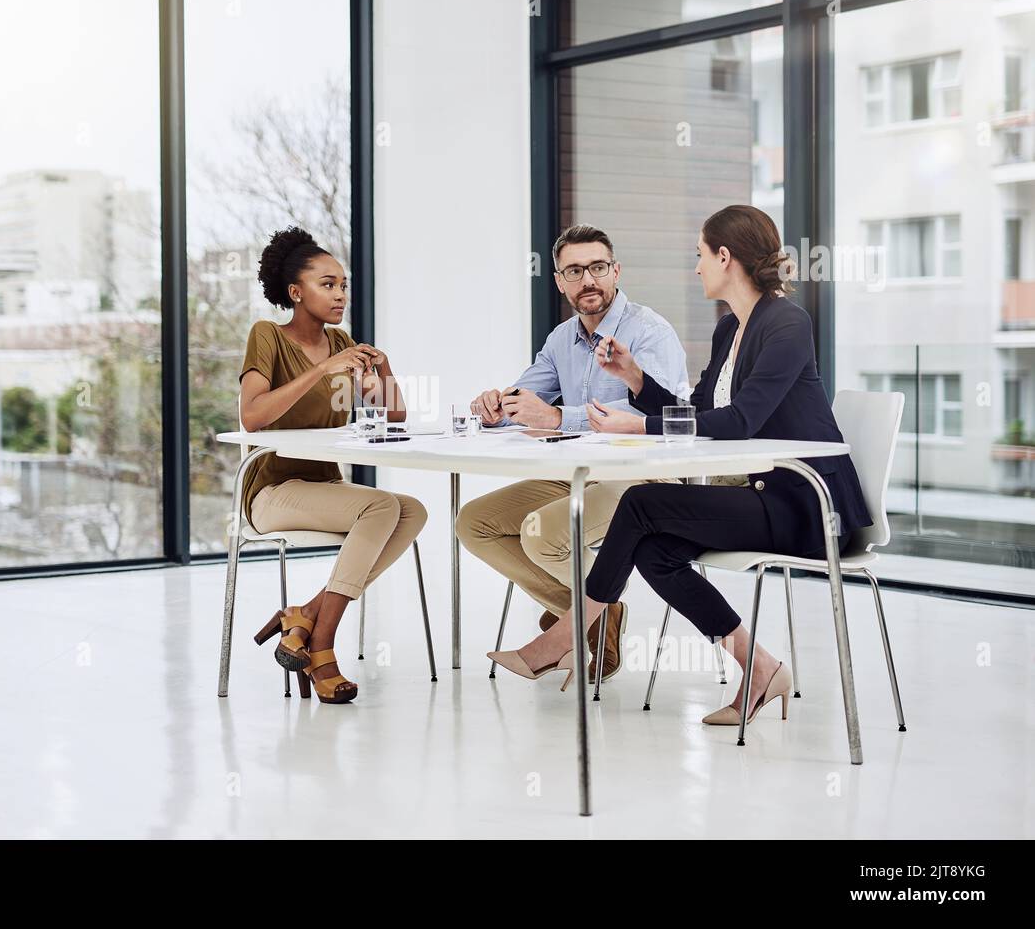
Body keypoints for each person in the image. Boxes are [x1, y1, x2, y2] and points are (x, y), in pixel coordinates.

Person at [490, 205, 872, 726]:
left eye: (699, 256)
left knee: (642, 501)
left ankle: (563, 636)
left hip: (806, 504)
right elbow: (697, 412)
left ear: (724, 256)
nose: (696, 269)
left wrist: (637, 426)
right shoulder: (728, 330)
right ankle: (760, 666)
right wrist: (635, 380)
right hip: (762, 491)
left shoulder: (787, 323)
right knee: (654, 549)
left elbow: (739, 421)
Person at [459, 224, 689, 684]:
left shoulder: (649, 331)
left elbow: (658, 410)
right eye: (575, 271)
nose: (589, 280)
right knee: (474, 523)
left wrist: (558, 418)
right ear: (560, 281)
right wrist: (494, 409)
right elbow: (528, 399)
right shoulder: (562, 338)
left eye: (598, 268)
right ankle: (591, 614)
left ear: (616, 270)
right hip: (578, 473)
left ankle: (574, 620)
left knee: (543, 534)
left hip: (644, 479)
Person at [241, 226, 426, 705]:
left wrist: (381, 369)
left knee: (413, 510)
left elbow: (394, 414)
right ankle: (323, 645)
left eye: (343, 284)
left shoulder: (342, 340)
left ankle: (303, 615)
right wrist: (322, 370)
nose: (340, 293)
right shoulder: (268, 336)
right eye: (328, 284)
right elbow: (253, 415)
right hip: (272, 493)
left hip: (324, 490)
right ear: (296, 292)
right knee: (384, 507)